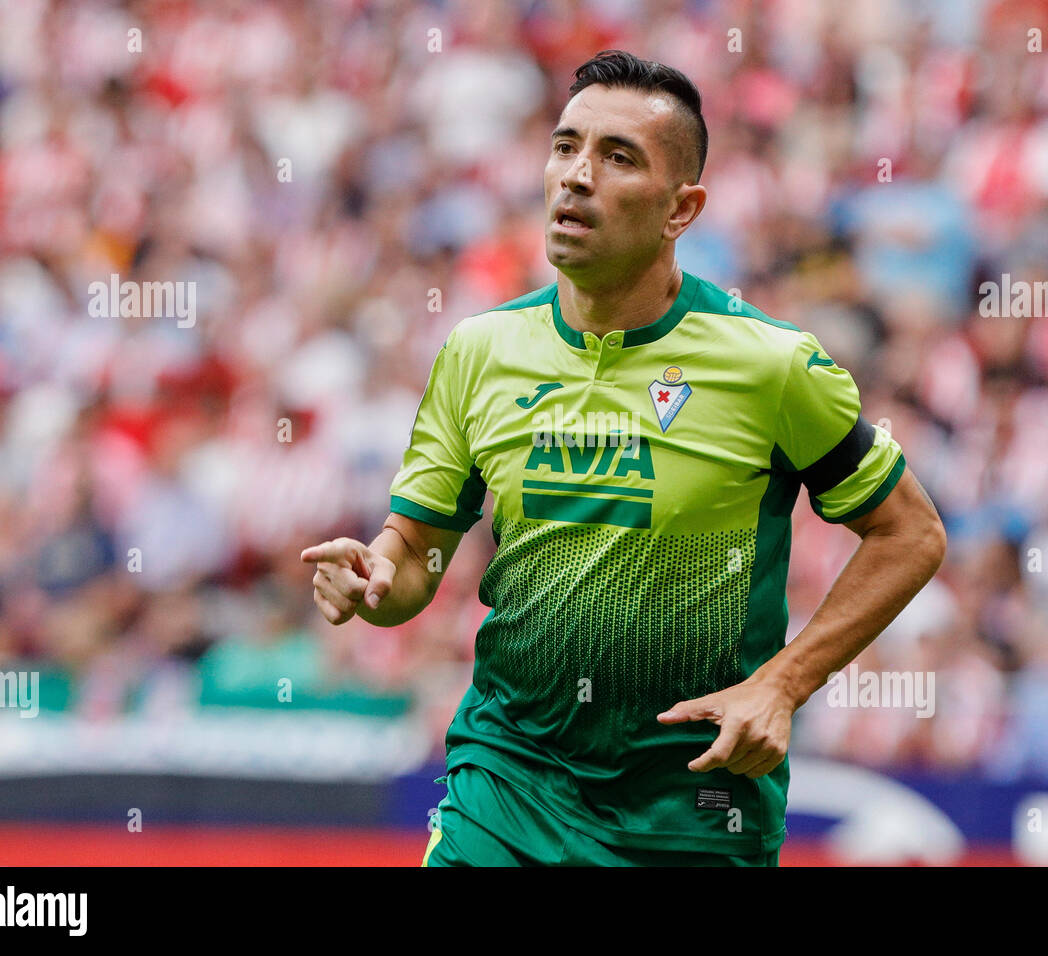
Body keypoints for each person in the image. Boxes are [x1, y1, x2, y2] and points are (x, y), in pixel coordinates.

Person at [301, 50, 946, 867]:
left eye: (617, 158)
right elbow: (415, 558)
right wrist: (377, 580)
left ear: (683, 210)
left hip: (693, 804)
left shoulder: (772, 366)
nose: (576, 176)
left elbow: (911, 535)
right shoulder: (479, 351)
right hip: (507, 782)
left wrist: (783, 683)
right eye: (566, 147)